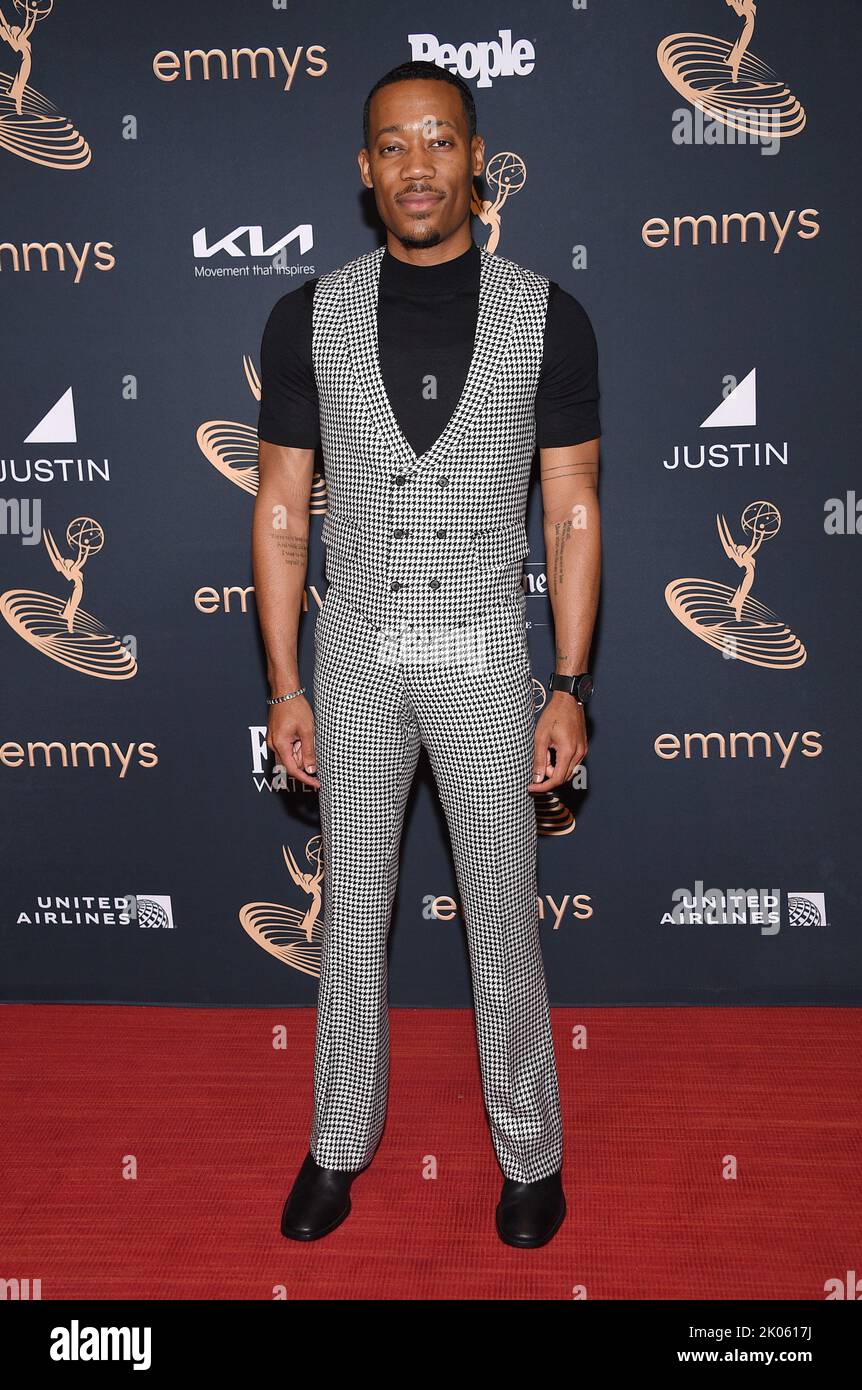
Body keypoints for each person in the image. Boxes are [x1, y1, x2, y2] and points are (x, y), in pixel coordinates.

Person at [252, 58, 601, 1249]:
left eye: (439, 141)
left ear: (475, 159)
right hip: (348, 654)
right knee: (352, 913)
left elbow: (569, 512)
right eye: (393, 144)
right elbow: (285, 508)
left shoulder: (550, 315)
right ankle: (337, 1145)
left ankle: (531, 1154)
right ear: (364, 170)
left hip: (487, 657)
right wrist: (285, 683)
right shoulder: (306, 314)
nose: (416, 164)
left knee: (501, 911)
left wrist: (567, 684)